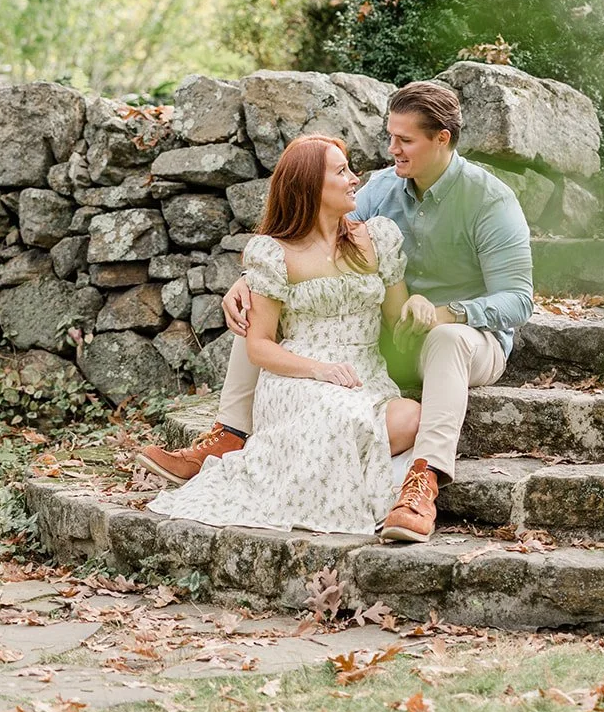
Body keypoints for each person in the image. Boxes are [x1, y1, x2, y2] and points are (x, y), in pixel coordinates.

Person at [138, 80, 533, 542]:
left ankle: (423, 481)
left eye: (404, 140)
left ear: (441, 138)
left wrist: (447, 312)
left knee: (446, 340)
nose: (392, 149)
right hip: (394, 331)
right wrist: (249, 282)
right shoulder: (384, 188)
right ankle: (230, 432)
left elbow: (518, 299)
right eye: (391, 136)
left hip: (464, 338)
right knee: (259, 315)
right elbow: (316, 234)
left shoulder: (488, 199)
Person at [144, 135, 421, 535]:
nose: (354, 179)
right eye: (341, 171)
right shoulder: (274, 253)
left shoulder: (376, 238)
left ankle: (309, 474)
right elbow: (258, 346)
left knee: (410, 417)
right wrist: (319, 370)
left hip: (366, 375)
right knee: (339, 411)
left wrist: (421, 311)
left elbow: (398, 321)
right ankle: (293, 477)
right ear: (310, 187)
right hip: (298, 375)